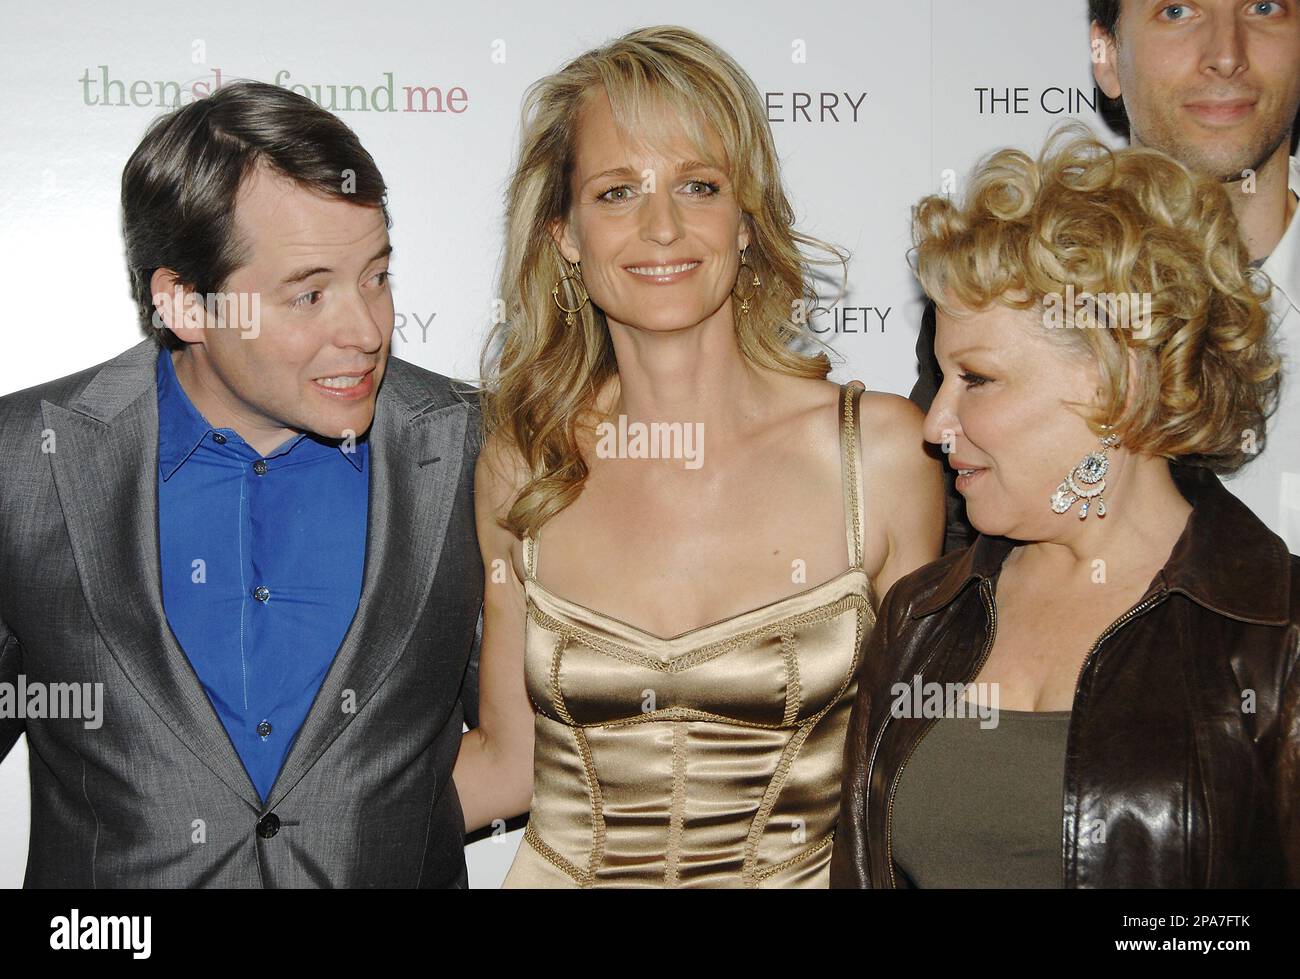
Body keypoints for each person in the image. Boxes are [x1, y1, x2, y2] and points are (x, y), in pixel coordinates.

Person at [452, 25, 943, 887]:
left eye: (699, 185)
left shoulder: (883, 457)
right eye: (616, 192)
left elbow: (913, 774)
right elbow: (505, 764)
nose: (662, 226)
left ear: (746, 219)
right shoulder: (521, 465)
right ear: (564, 232)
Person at [0, 81, 482, 887]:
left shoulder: (473, 446)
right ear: (184, 305)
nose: (366, 330)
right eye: (309, 293)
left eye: (377, 275)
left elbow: (551, 743)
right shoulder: (26, 461)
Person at [832, 129, 1299, 889]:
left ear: (1118, 382)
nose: (934, 423)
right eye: (940, 377)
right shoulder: (922, 616)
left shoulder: (1275, 637)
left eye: (976, 379)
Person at [910, 0, 1300, 553]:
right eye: (1178, 10)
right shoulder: (997, 291)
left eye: (1264, 6)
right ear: (1106, 54)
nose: (1226, 55)